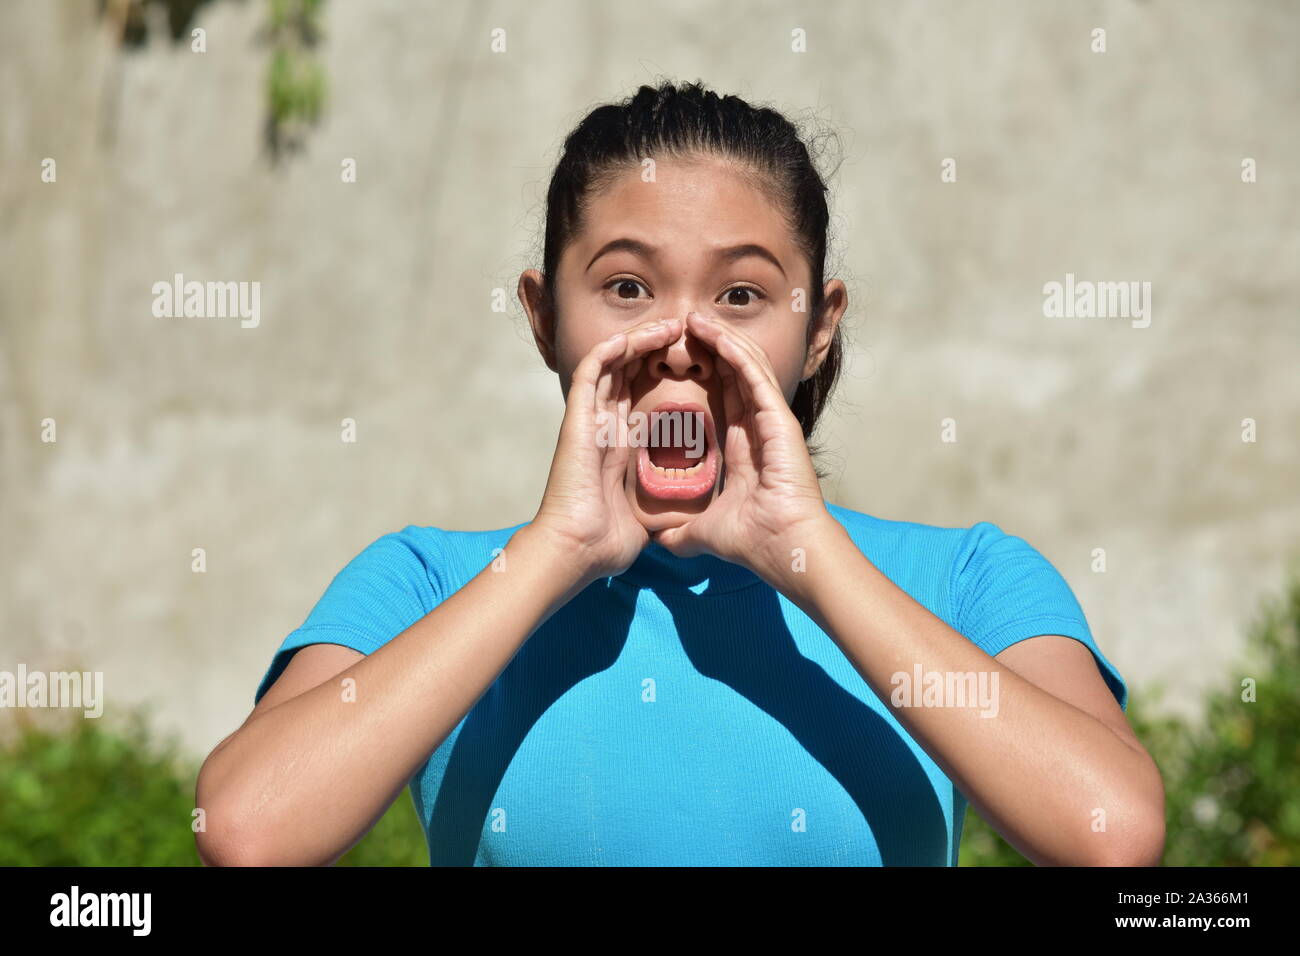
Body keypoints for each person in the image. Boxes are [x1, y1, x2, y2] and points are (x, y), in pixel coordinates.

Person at [194, 80, 1165, 867]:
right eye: (626, 286)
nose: (682, 339)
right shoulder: (428, 582)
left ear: (817, 327)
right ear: (543, 317)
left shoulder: (964, 581)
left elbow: (1109, 835)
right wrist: (553, 555)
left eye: (741, 293)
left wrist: (811, 559)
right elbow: (248, 831)